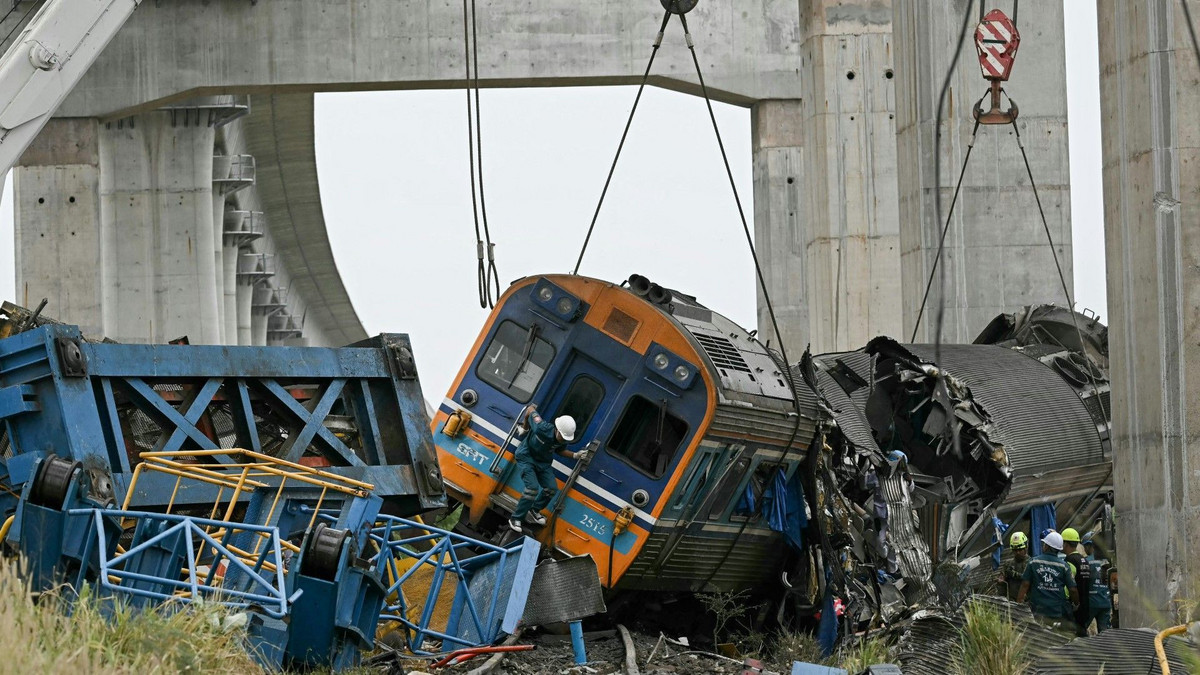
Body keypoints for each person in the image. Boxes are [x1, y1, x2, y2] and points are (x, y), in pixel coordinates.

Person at [508, 404, 583, 534]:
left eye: (566, 438)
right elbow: (530, 409)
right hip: (527, 457)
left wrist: (575, 455)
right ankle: (516, 518)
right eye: (562, 436)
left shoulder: (563, 439)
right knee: (532, 489)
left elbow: (560, 451)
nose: (563, 439)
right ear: (557, 429)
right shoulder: (541, 427)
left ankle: (534, 510)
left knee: (551, 489)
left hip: (543, 463)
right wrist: (525, 428)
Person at [1018, 531, 1078, 634]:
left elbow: (1025, 585)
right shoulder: (1064, 566)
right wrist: (1076, 603)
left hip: (1037, 611)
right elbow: (1072, 589)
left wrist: (1019, 604)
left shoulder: (1033, 562)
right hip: (1057, 612)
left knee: (1038, 637)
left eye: (1044, 544)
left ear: (1047, 546)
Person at [1060, 527, 1092, 636]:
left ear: (1065, 544)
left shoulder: (1070, 561)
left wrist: (1073, 603)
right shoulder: (1084, 561)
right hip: (1086, 605)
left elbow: (1070, 587)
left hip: (1075, 608)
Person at [1082, 534, 1113, 632]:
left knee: (1082, 628)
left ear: (1089, 546)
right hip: (1106, 602)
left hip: (1092, 602)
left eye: (1085, 547)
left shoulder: (1086, 562)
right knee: (1105, 632)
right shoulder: (1108, 561)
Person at [997, 530, 1030, 600]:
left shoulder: (1031, 563)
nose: (1017, 552)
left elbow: (1027, 580)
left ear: (1025, 548)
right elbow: (1001, 584)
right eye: (1015, 550)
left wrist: (1013, 574)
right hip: (1011, 601)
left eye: (1020, 549)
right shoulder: (1008, 564)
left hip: (1027, 603)